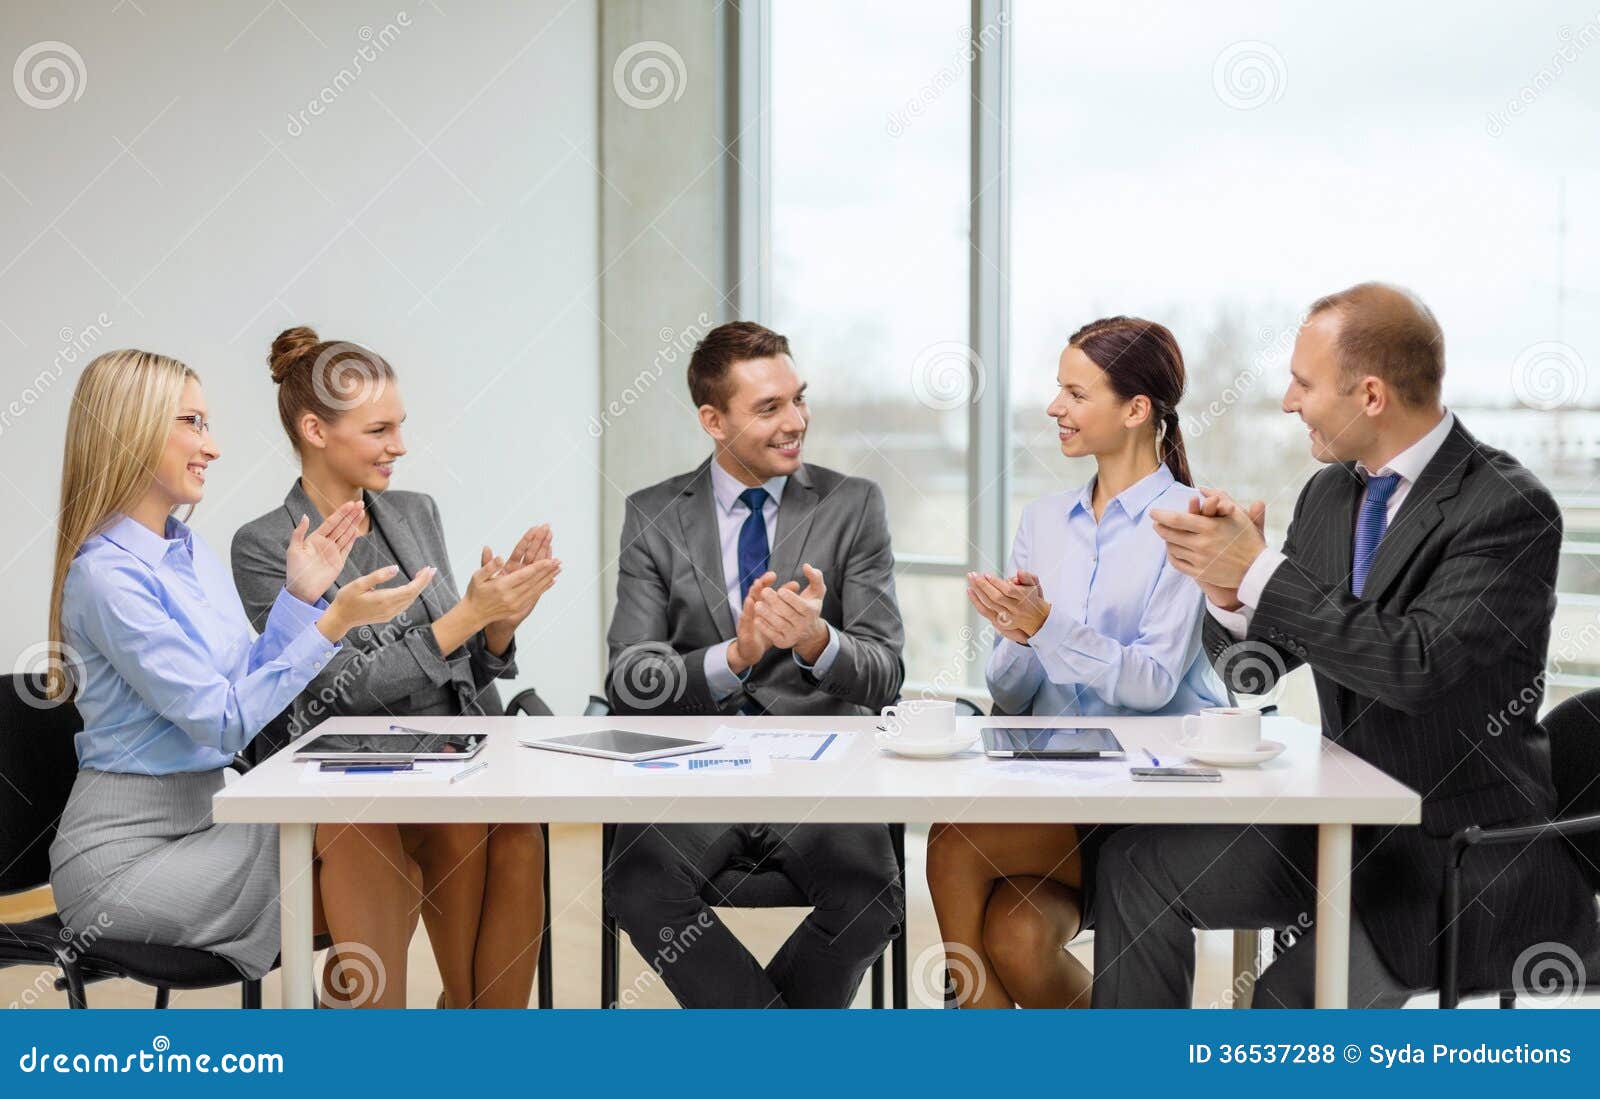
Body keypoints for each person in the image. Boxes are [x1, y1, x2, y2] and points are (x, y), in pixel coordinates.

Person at [1116, 281, 1599, 1006]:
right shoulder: (1332, 493)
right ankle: (1131, 1063)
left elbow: (1416, 666)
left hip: (1454, 858)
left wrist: (1261, 570)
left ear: (1371, 395)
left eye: (1304, 384)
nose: (1288, 402)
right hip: (1342, 828)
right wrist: (1229, 592)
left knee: (1277, 1014)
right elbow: (1256, 669)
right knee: (1137, 865)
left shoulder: (1508, 507)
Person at [46, 349, 428, 980]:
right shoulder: (106, 577)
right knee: (371, 861)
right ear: (131, 431)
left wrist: (299, 599)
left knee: (389, 861)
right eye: (192, 423)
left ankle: (351, 1040)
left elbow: (241, 680)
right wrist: (331, 623)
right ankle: (365, 1043)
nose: (213, 446)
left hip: (213, 818)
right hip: (124, 861)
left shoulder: (189, 552)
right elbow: (222, 723)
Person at [232, 328, 558, 1007]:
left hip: (451, 759)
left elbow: (460, 671)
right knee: (463, 825)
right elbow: (336, 692)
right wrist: (464, 617)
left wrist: (497, 625)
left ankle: (479, 1035)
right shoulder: (264, 544)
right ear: (315, 430)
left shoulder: (414, 512)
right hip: (348, 778)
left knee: (520, 838)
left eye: (400, 426)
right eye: (379, 429)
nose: (400, 445)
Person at [602, 320, 905, 1007]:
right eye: (769, 408)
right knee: (640, 888)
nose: (795, 421)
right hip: (694, 768)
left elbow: (886, 672)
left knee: (870, 898)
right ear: (714, 420)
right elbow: (628, 681)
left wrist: (816, 640)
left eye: (799, 398)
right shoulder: (653, 515)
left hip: (822, 771)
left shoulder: (853, 504)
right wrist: (734, 656)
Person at [926, 317, 1225, 1008]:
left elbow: (1152, 683)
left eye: (1075, 393)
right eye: (1058, 389)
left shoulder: (1192, 522)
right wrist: (1018, 635)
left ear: (1136, 409)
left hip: (1148, 800)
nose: (1054, 407)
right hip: (1055, 788)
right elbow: (1010, 692)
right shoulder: (1042, 519)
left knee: (952, 842)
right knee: (1018, 934)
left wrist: (1048, 626)